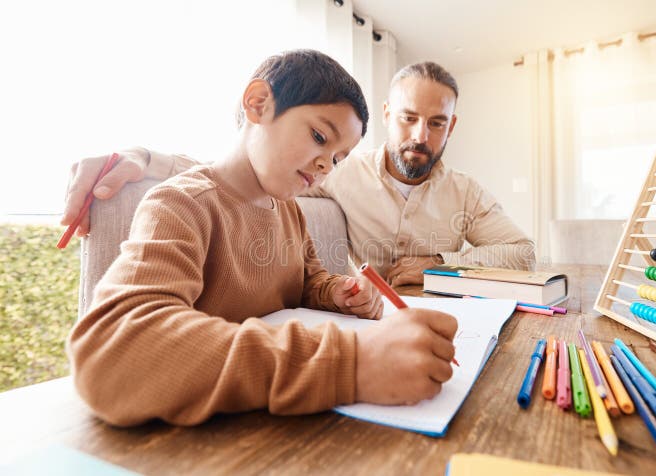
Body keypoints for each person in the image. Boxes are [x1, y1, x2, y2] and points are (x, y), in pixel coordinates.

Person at [68, 50, 457, 427]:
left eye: (338, 158)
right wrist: (350, 364)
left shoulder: (289, 210)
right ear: (257, 104)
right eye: (320, 136)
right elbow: (119, 352)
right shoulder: (181, 204)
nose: (326, 165)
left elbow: (307, 281)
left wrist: (337, 291)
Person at [62, 62, 535, 287]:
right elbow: (242, 169)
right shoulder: (339, 169)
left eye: (436, 124)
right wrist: (145, 158)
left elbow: (522, 252)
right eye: (409, 118)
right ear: (389, 115)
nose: (420, 135)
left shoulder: (466, 193)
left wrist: (444, 265)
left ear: (451, 128)